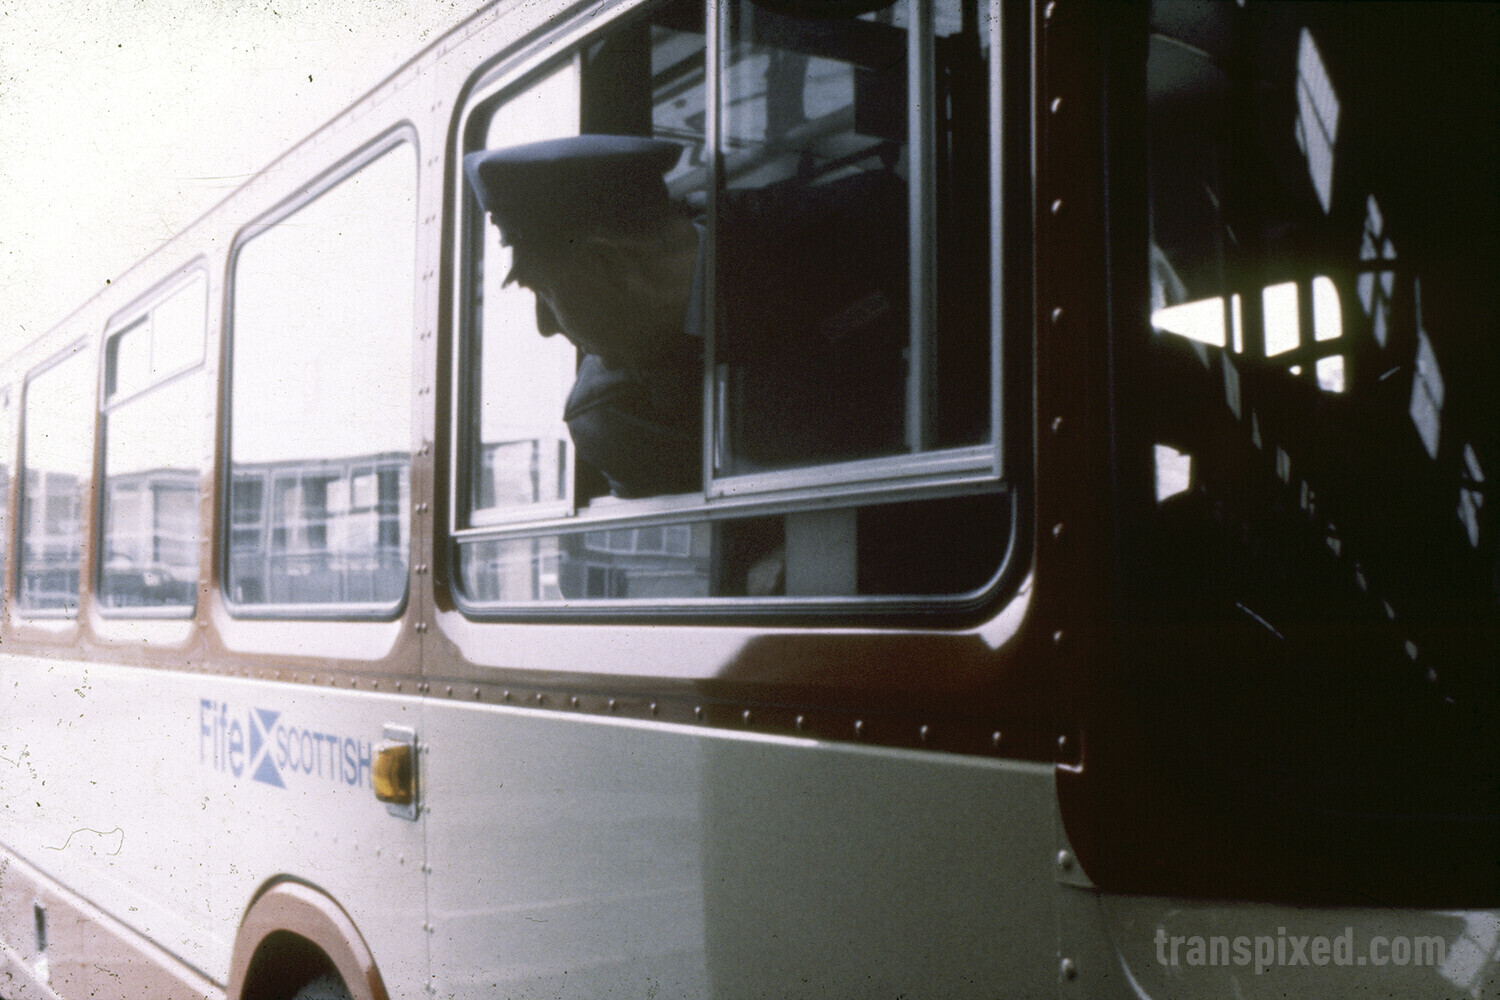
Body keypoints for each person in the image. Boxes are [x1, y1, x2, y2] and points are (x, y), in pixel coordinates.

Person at [464, 133, 908, 499]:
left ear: (606, 264)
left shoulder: (860, 228)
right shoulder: (615, 416)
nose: (545, 326)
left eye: (542, 292)